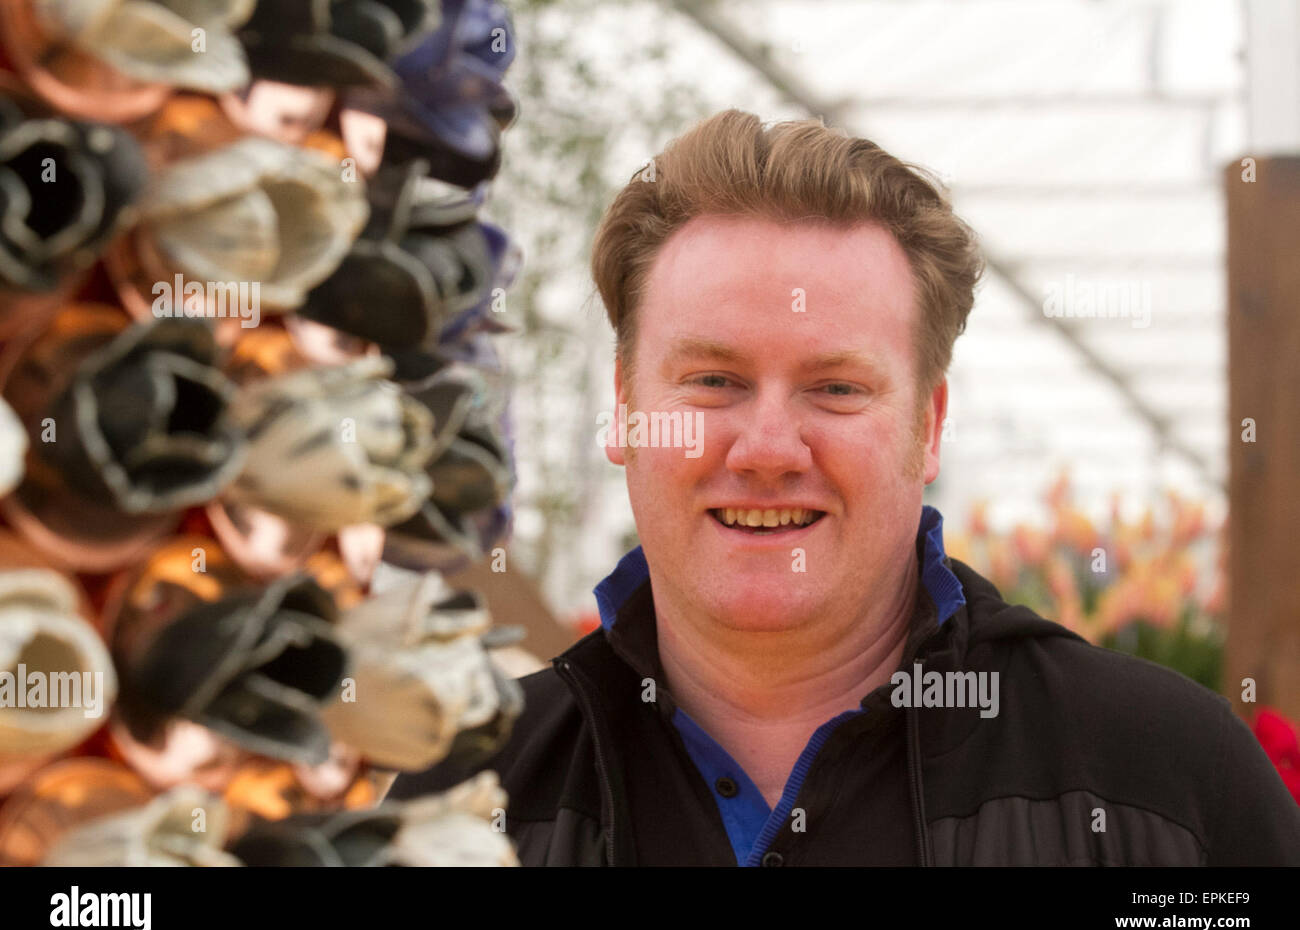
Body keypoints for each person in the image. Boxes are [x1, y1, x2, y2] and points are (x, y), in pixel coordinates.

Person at [388, 109, 1300, 865]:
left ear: (928, 426)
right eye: (712, 380)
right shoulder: (469, 809)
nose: (770, 447)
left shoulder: (1165, 786)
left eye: (836, 388)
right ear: (626, 411)